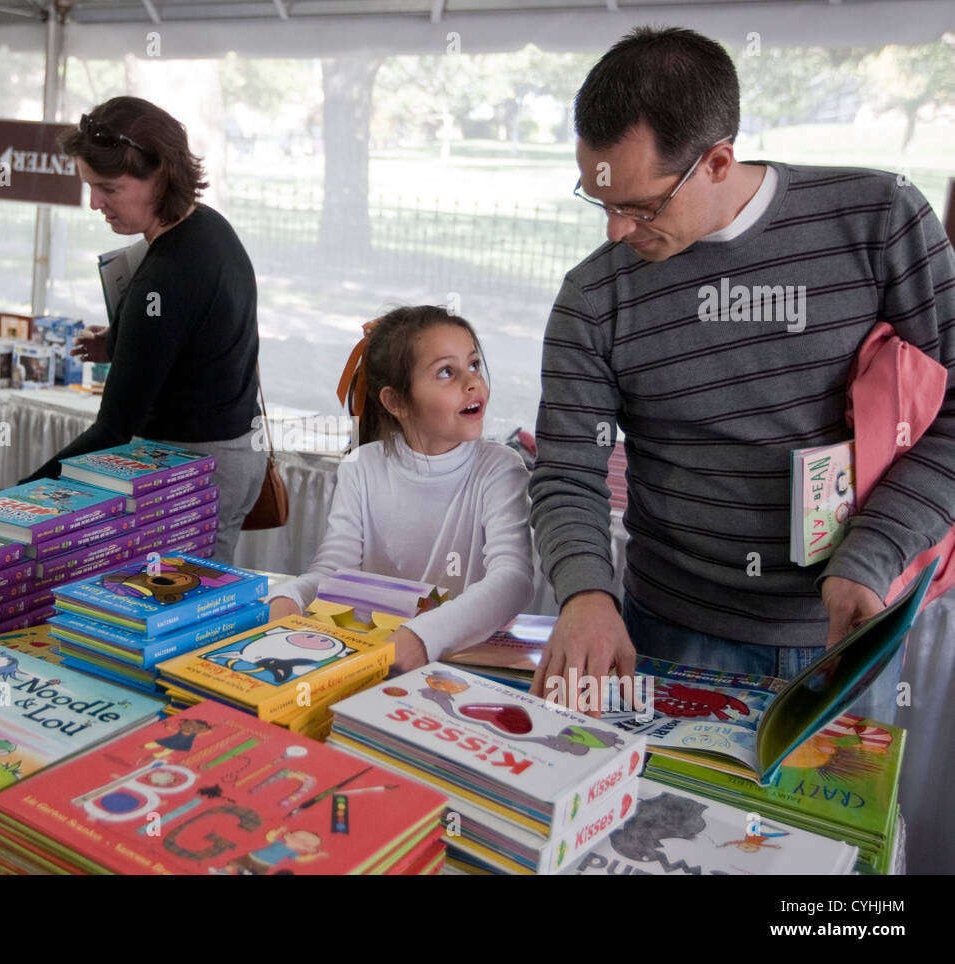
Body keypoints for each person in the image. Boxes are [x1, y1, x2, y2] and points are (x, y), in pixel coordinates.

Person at [527, 27, 955, 725]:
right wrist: (585, 595)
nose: (614, 231)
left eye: (639, 206)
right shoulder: (594, 297)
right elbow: (569, 471)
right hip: (671, 630)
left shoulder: (879, 223)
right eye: (598, 199)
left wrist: (872, 553)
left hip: (847, 630)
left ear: (719, 161)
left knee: (829, 832)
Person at [21, 97, 265, 565]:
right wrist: (118, 341)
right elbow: (190, 333)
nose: (94, 203)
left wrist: (12, 499)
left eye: (108, 188)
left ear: (161, 175)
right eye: (90, 187)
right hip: (229, 454)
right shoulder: (208, 228)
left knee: (183, 613)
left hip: (195, 470)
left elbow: (113, 427)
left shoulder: (167, 272)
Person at [267, 306, 534, 674]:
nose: (472, 383)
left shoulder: (499, 468)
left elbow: (512, 580)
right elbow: (335, 572)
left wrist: (422, 637)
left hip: (456, 665)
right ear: (396, 402)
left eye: (473, 365)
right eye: (446, 372)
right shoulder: (362, 468)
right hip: (376, 662)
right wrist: (291, 595)